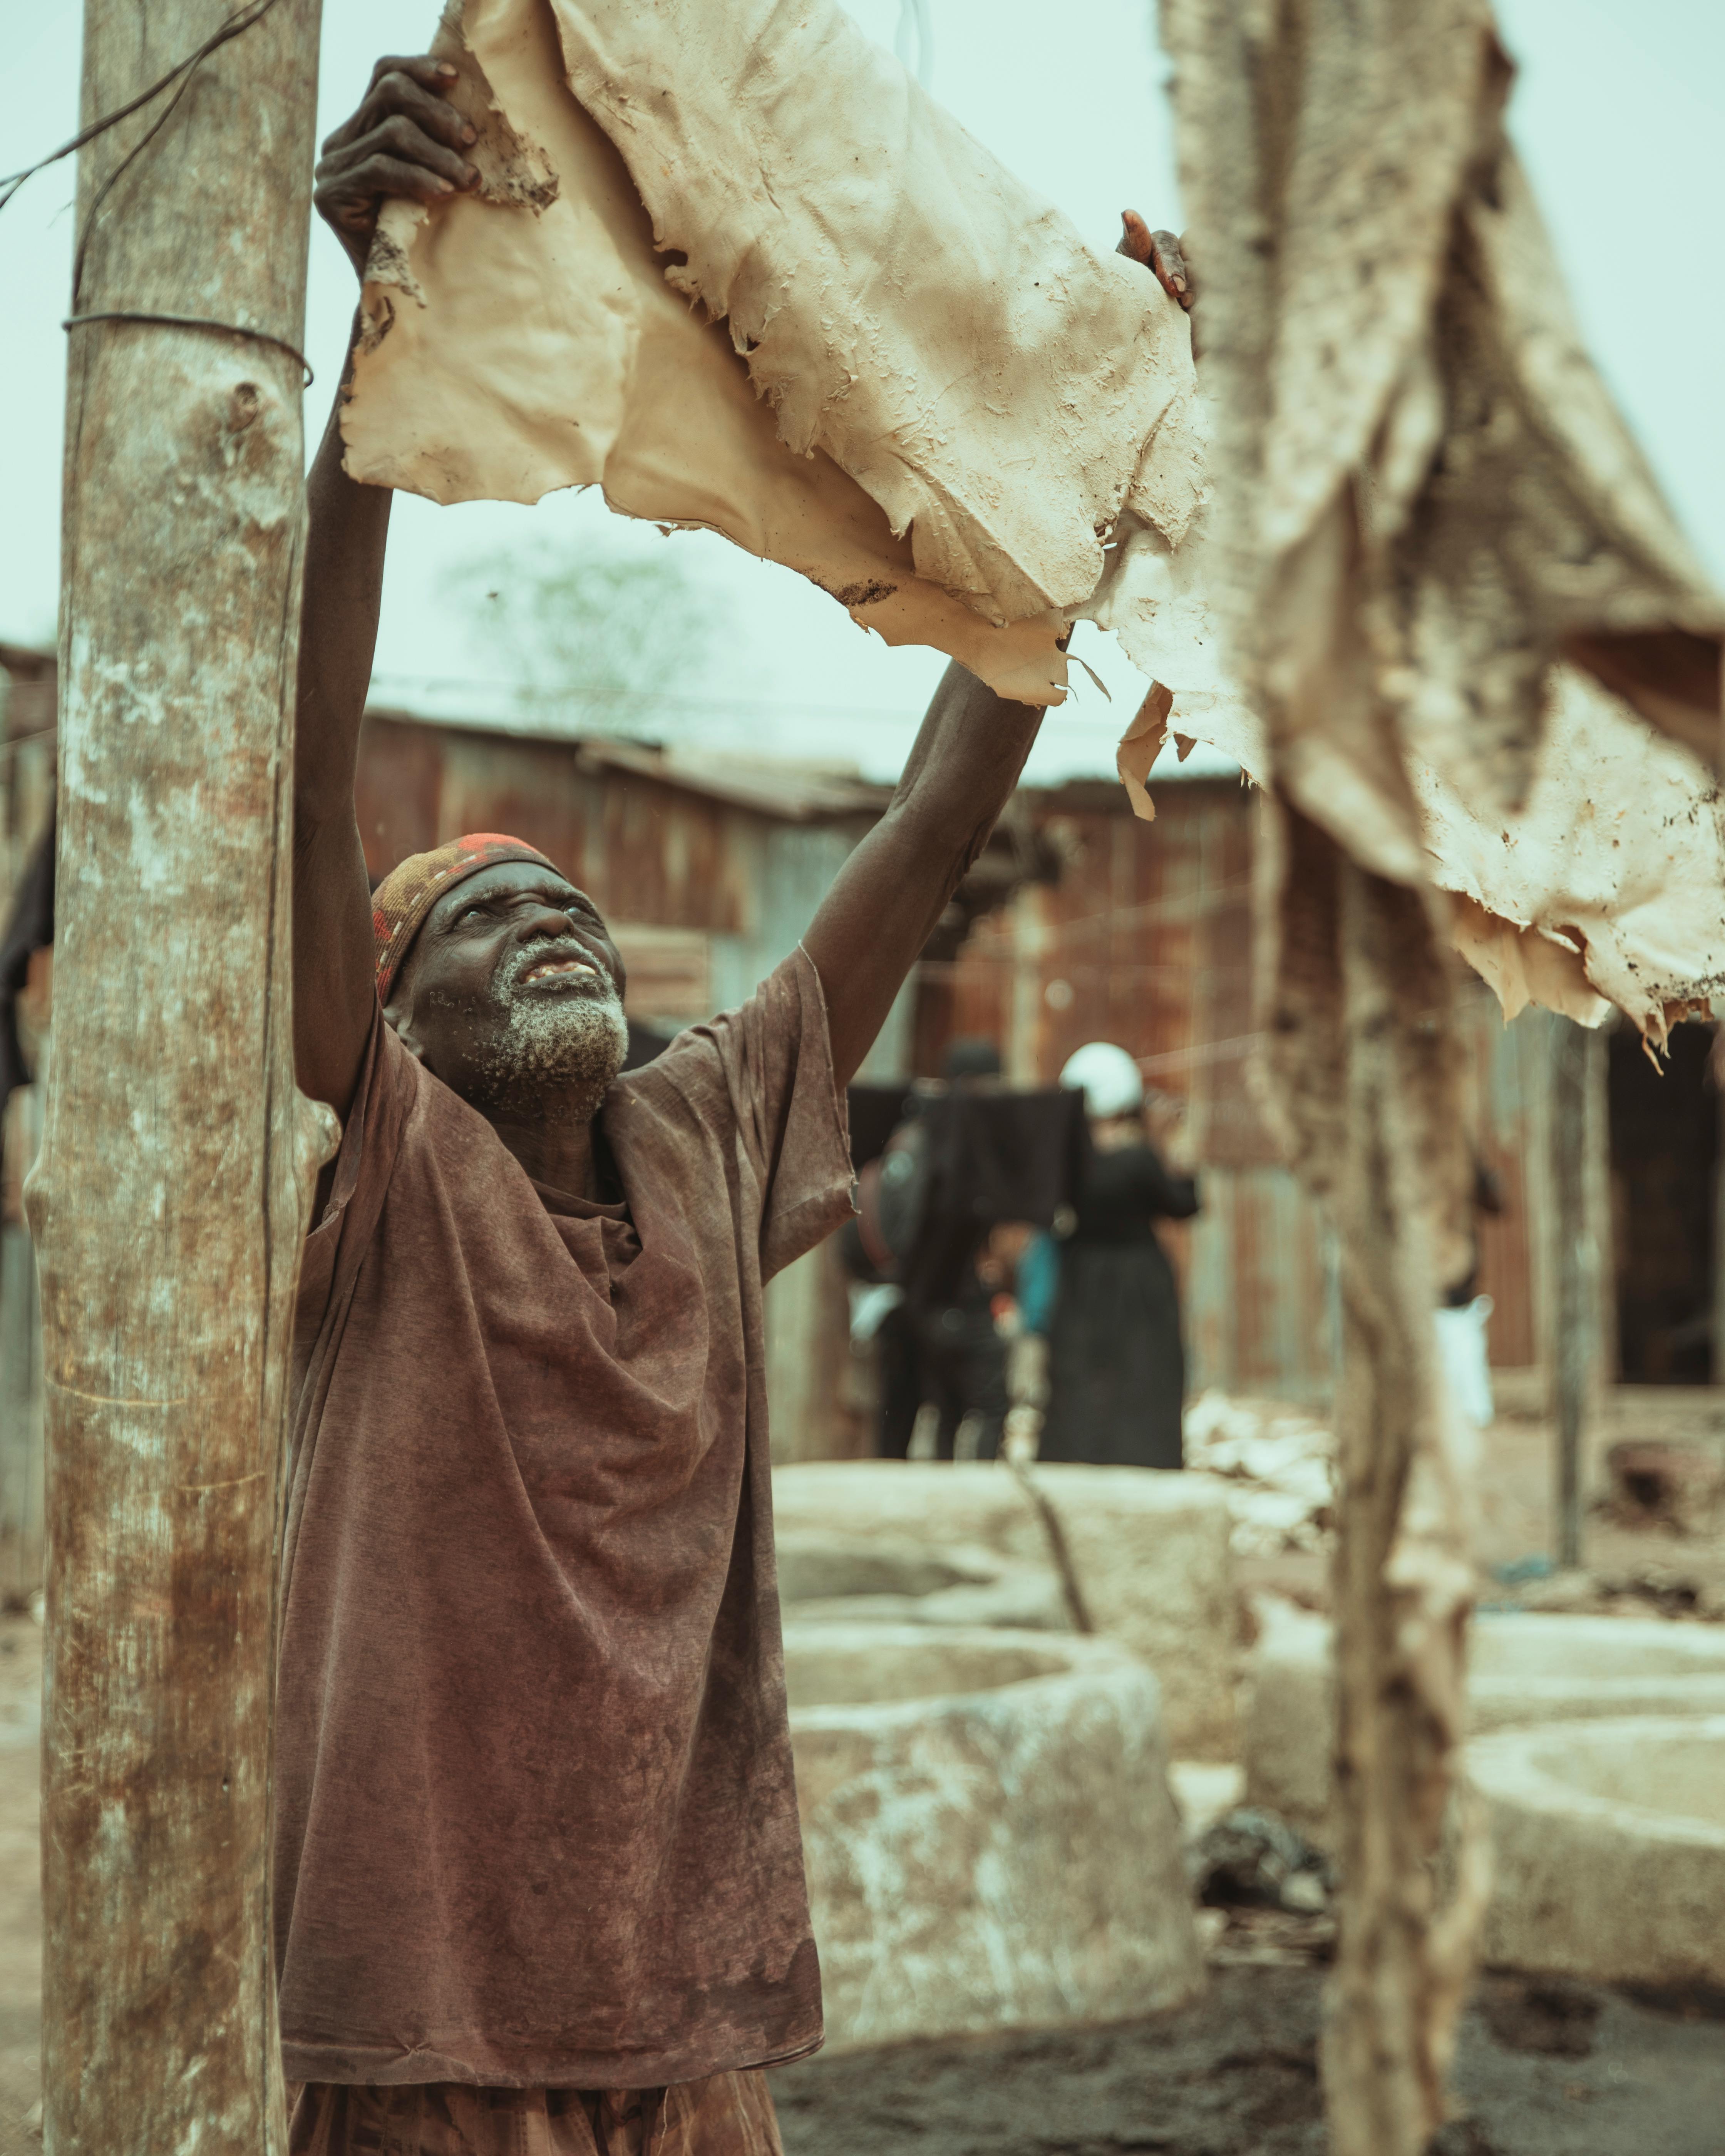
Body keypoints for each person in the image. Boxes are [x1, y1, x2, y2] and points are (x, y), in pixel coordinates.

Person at [283, 52, 1192, 2156]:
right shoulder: (399, 1177)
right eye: (488, 923)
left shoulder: (705, 1137)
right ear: (393, 1025)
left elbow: (944, 800)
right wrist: (377, 352)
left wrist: (1124, 458)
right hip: (431, 2016)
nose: (555, 928)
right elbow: (312, 786)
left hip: (682, 2002)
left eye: (576, 910)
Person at [1035, 1041, 1199, 1470]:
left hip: (1080, 1279)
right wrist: (1170, 1143)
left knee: (1080, 1375)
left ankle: (1074, 1459)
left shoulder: (1067, 1160)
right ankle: (1144, 1463)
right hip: (1139, 1282)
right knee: (1143, 1374)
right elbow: (1184, 1203)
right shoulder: (1138, 1159)